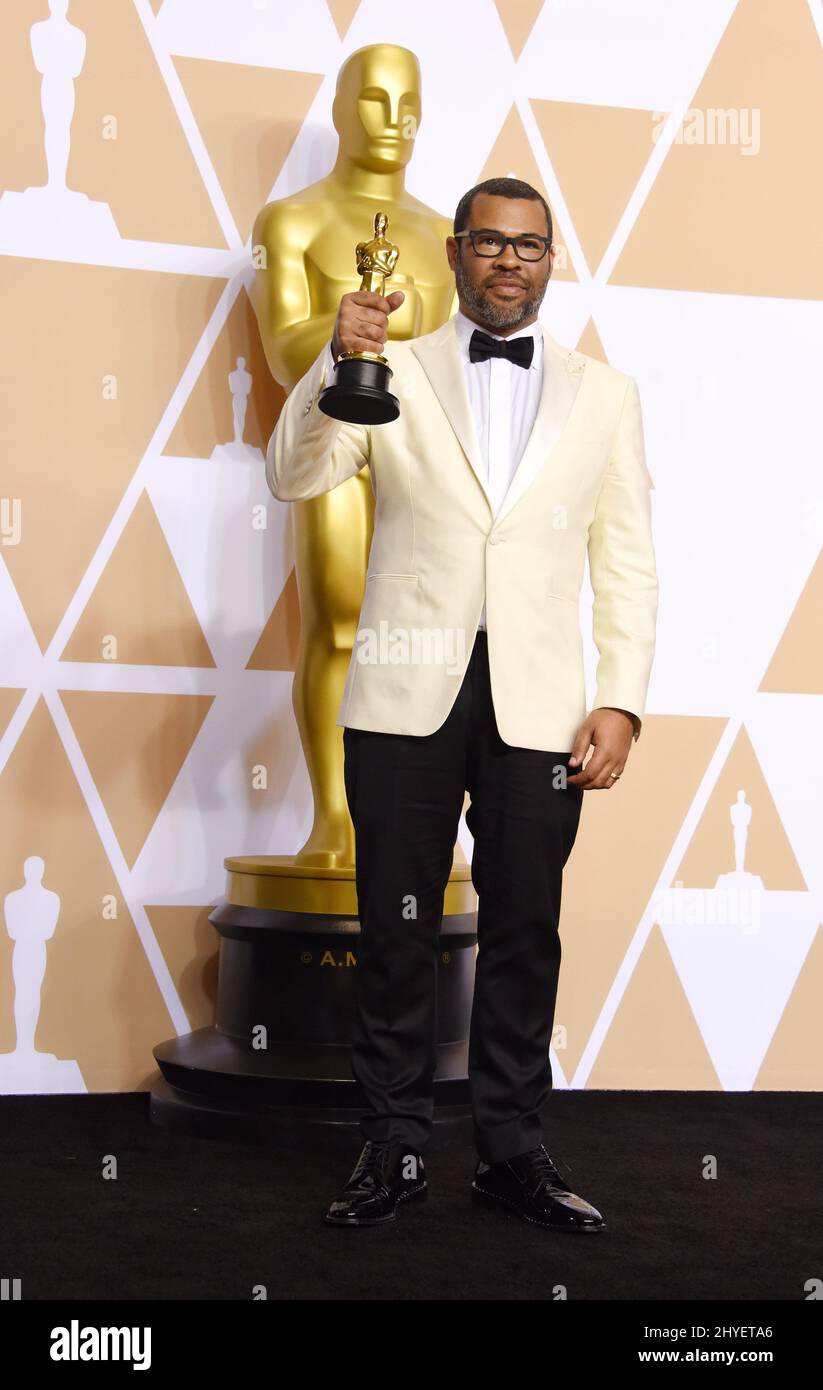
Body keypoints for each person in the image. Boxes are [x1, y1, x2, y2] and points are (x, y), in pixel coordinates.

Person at [266, 176, 659, 1232]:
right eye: (489, 242)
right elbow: (295, 478)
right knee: (396, 926)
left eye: (528, 246)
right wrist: (333, 361)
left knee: (525, 927)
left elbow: (626, 563)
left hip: (541, 704)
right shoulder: (390, 364)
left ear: (549, 258)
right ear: (453, 253)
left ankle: (511, 1151)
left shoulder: (605, 395)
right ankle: (390, 1147)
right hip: (404, 689)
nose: (508, 262)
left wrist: (620, 700)